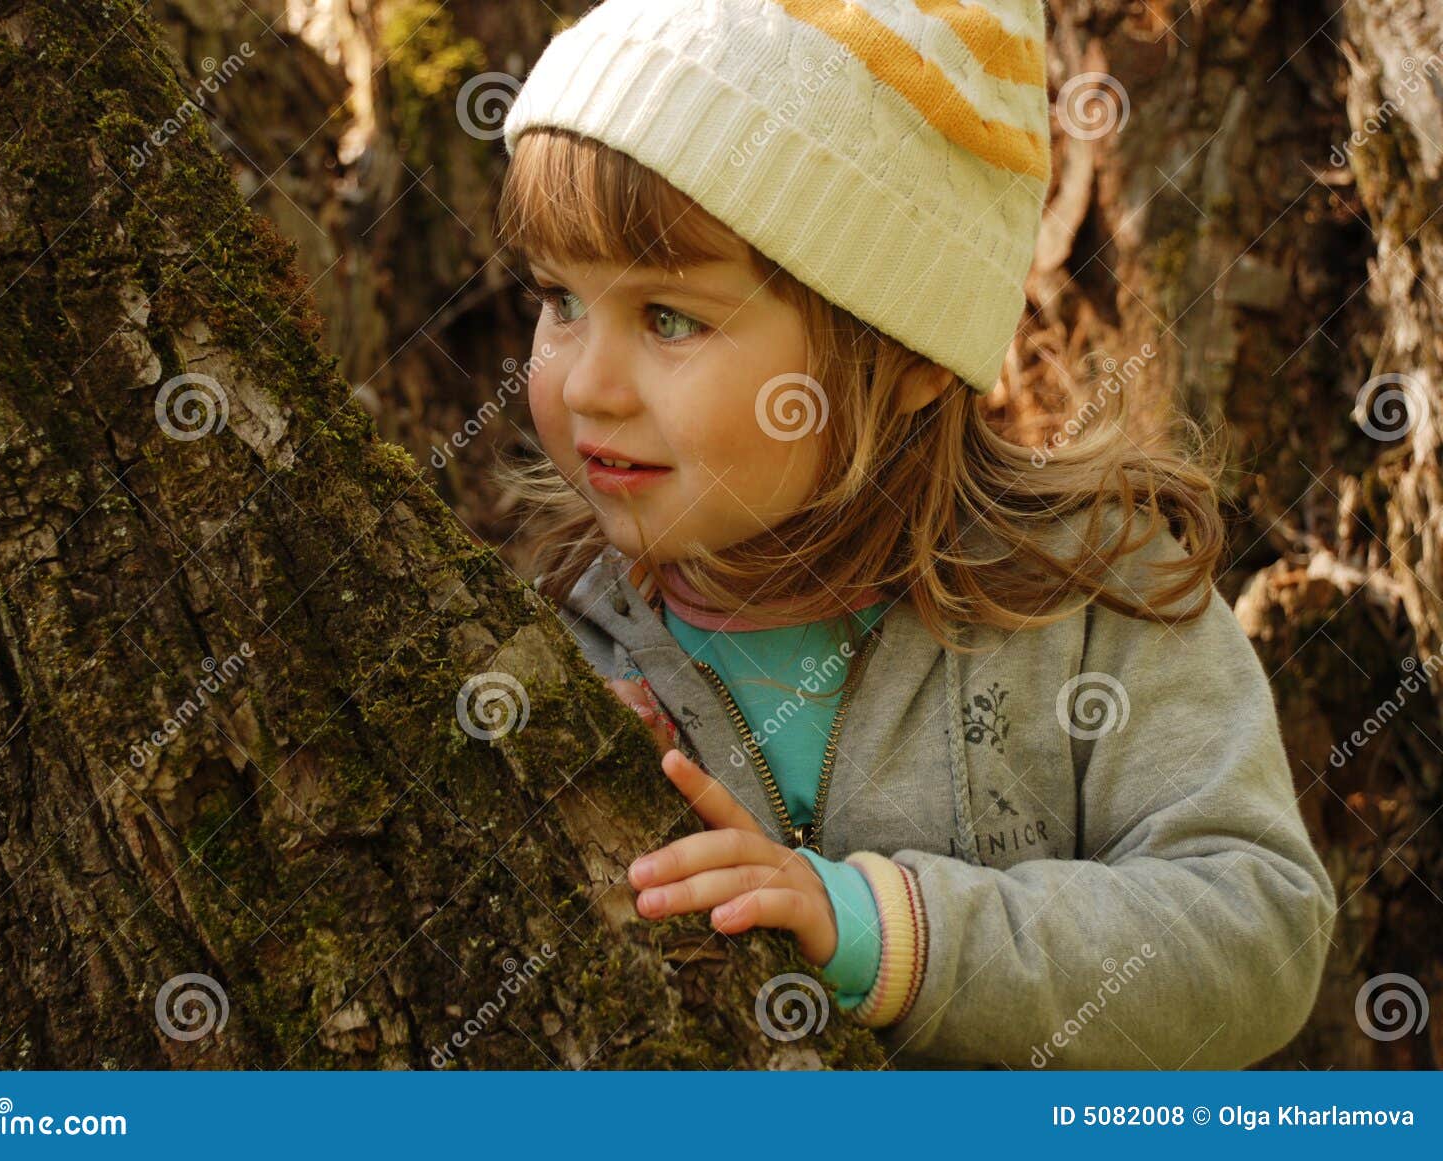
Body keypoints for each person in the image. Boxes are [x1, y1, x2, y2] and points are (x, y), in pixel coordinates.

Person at [490, 0, 1336, 1068]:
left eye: (671, 319)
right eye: (561, 299)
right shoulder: (557, 641)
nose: (585, 385)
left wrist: (883, 930)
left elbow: (1257, 928)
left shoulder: (1088, 601)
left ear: (907, 353)